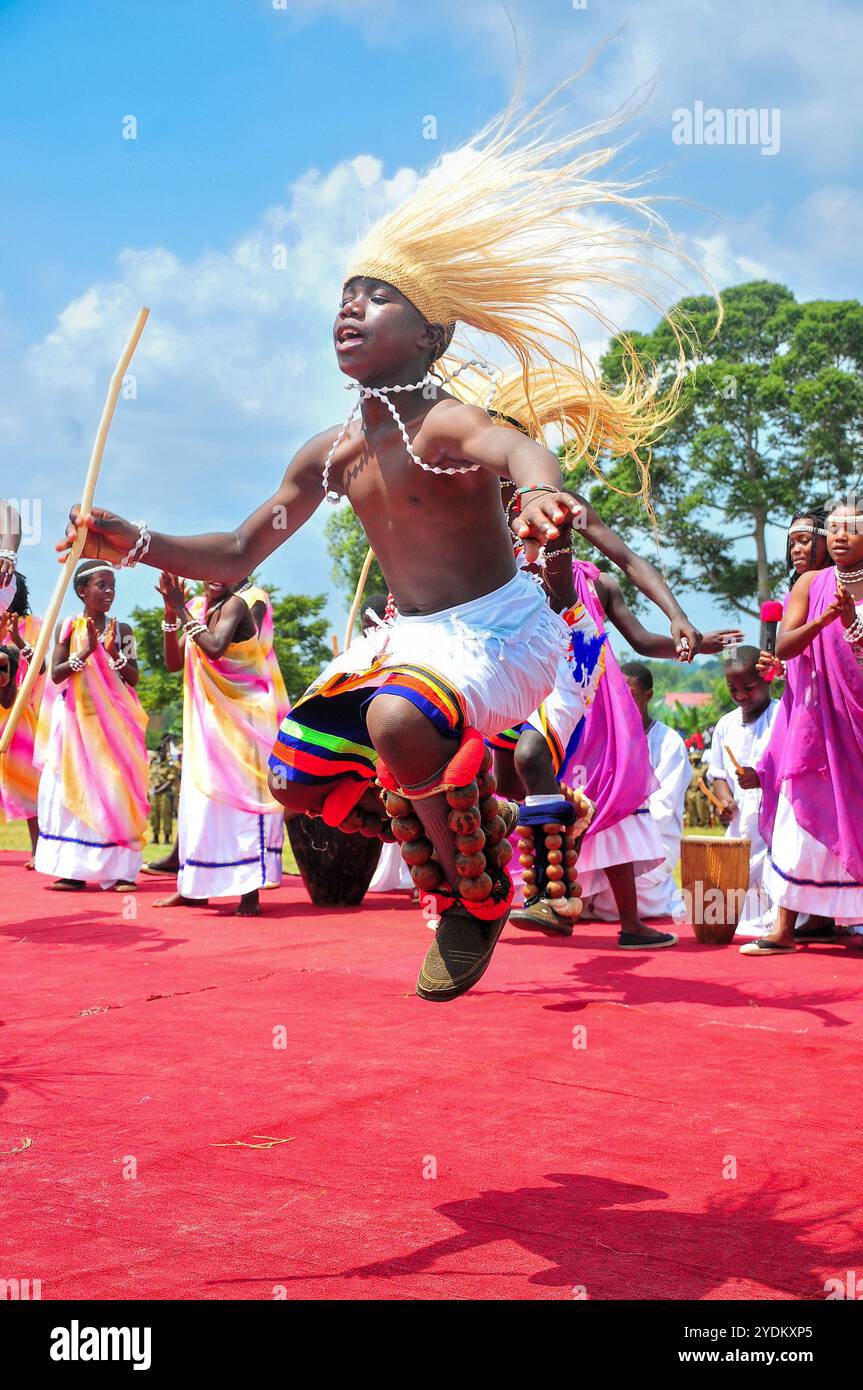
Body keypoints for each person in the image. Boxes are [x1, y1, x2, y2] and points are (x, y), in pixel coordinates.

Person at [59, 87, 701, 1000]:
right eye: (344, 295)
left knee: (398, 721)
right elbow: (238, 553)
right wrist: (138, 540)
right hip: (409, 645)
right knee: (298, 773)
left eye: (377, 296)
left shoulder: (444, 423)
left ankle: (469, 896)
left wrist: (542, 499)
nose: (349, 309)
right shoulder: (333, 453)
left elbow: (519, 448)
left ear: (431, 332)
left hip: (500, 634)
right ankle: (453, 803)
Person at [742, 499, 863, 954]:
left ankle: (836, 919)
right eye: (834, 528)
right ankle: (785, 927)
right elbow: (788, 644)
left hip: (856, 719)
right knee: (799, 812)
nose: (839, 536)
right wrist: (825, 619)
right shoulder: (812, 585)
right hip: (813, 718)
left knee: (855, 816)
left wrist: (851, 622)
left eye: (850, 528)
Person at [153, 575, 285, 917]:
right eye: (205, 569)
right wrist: (171, 612)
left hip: (245, 717)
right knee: (202, 801)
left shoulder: (250, 598)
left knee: (243, 801)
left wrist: (180, 609)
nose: (212, 576)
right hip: (206, 719)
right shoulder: (196, 607)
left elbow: (215, 646)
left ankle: (249, 891)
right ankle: (195, 887)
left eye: (221, 567)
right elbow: (172, 663)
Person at [34, 561, 148, 890]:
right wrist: (84, 652)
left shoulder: (122, 630)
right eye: (102, 585)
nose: (109, 592)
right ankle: (74, 870)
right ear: (82, 590)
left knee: (114, 788)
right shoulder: (68, 627)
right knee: (71, 785)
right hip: (75, 721)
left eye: (112, 586)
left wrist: (115, 655)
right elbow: (55, 674)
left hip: (113, 722)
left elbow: (134, 678)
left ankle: (120, 871)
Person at [704, 647, 780, 937]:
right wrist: (724, 799)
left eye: (748, 688)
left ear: (768, 680)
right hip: (739, 825)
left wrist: (761, 779)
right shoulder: (726, 724)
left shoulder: (781, 716)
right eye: (733, 689)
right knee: (737, 888)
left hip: (773, 825)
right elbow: (718, 773)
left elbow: (792, 768)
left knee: (773, 880)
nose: (740, 696)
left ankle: (779, 923)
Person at [0, 574, 45, 865]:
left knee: (28, 783)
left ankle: (39, 848)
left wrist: (15, 639)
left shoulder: (34, 627)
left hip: (18, 713)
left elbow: (41, 670)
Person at [149, 734, 180, 845]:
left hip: (165, 793)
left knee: (166, 815)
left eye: (162, 751)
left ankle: (167, 838)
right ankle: (155, 836)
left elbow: (170, 780)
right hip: (154, 793)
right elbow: (150, 776)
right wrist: (152, 788)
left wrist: (159, 789)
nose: (160, 753)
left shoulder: (169, 764)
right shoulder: (154, 764)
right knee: (154, 815)